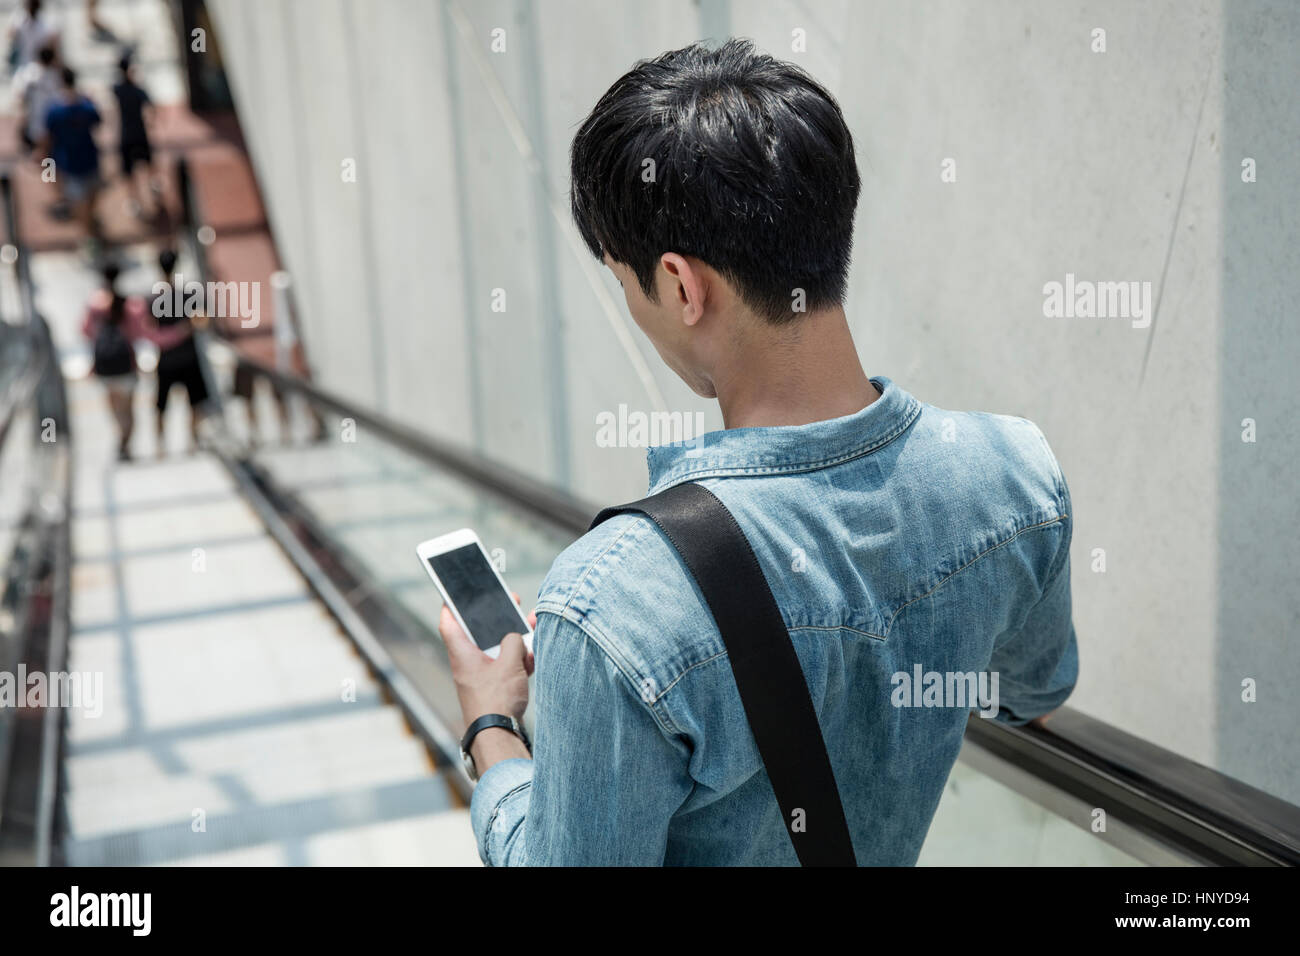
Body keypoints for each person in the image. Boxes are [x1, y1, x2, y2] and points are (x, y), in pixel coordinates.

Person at [439, 39, 1078, 866]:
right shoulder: (1014, 478)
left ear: (680, 284)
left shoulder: (615, 606)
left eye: (626, 284)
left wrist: (491, 726)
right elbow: (1034, 692)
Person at [82, 261, 190, 461]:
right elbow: (148, 335)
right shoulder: (132, 305)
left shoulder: (94, 304)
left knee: (116, 410)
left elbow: (86, 331)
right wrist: (179, 333)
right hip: (127, 365)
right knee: (129, 409)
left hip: (104, 367)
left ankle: (122, 442)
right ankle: (125, 442)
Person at [150, 248, 210, 452]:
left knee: (160, 406)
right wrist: (184, 329)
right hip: (188, 356)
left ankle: (160, 446)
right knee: (194, 403)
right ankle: (193, 440)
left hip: (165, 358)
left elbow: (147, 329)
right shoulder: (188, 295)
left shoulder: (153, 298)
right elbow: (202, 321)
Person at [43, 67, 101, 247]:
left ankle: (88, 230)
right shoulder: (86, 105)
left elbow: (48, 137)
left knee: (82, 201)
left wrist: (45, 158)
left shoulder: (54, 109)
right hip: (89, 159)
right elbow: (98, 122)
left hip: (69, 162)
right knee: (88, 199)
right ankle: (88, 233)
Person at [112, 54, 158, 219]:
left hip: (125, 135)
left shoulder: (117, 89)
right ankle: (153, 189)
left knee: (129, 172)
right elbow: (151, 108)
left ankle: (134, 201)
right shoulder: (138, 90)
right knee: (148, 164)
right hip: (139, 133)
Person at [14, 41, 58, 153]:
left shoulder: (31, 71)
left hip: (41, 115)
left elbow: (21, 94)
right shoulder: (53, 74)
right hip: (40, 115)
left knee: (42, 143)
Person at [7, 0, 57, 75]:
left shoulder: (44, 23)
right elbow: (10, 35)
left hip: (38, 64)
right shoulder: (19, 19)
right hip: (21, 63)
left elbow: (51, 42)